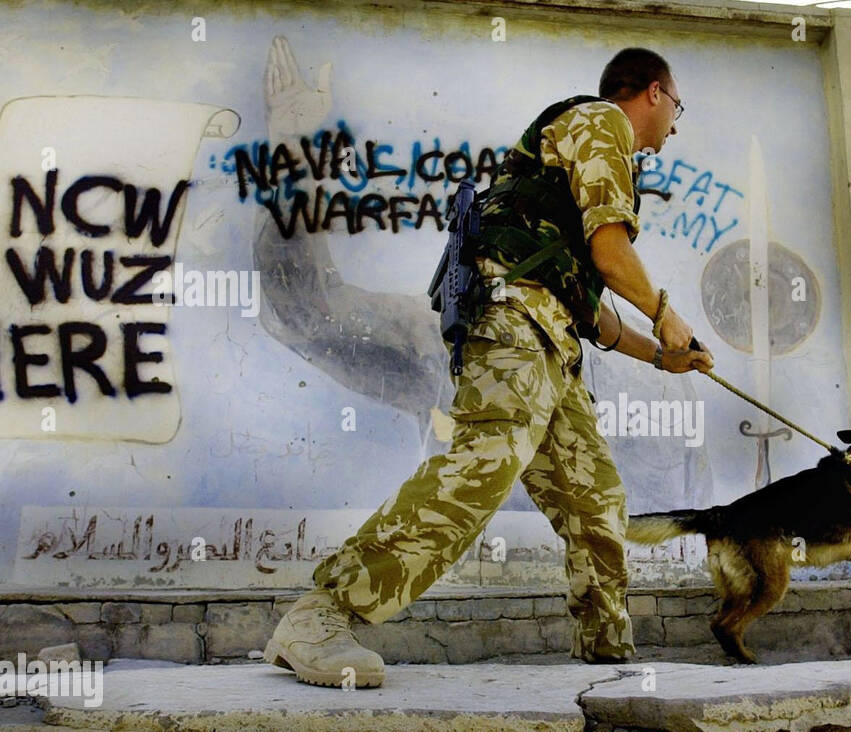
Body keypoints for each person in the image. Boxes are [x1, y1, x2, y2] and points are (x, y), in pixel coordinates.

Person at [264, 48, 714, 688]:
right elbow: (611, 253)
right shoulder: (602, 123)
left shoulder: (570, 183)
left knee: (597, 504)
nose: (674, 126)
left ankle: (607, 651)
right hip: (513, 324)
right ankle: (322, 616)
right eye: (678, 109)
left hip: (552, 344)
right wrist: (669, 314)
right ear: (653, 92)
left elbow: (594, 315)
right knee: (483, 465)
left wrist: (662, 356)